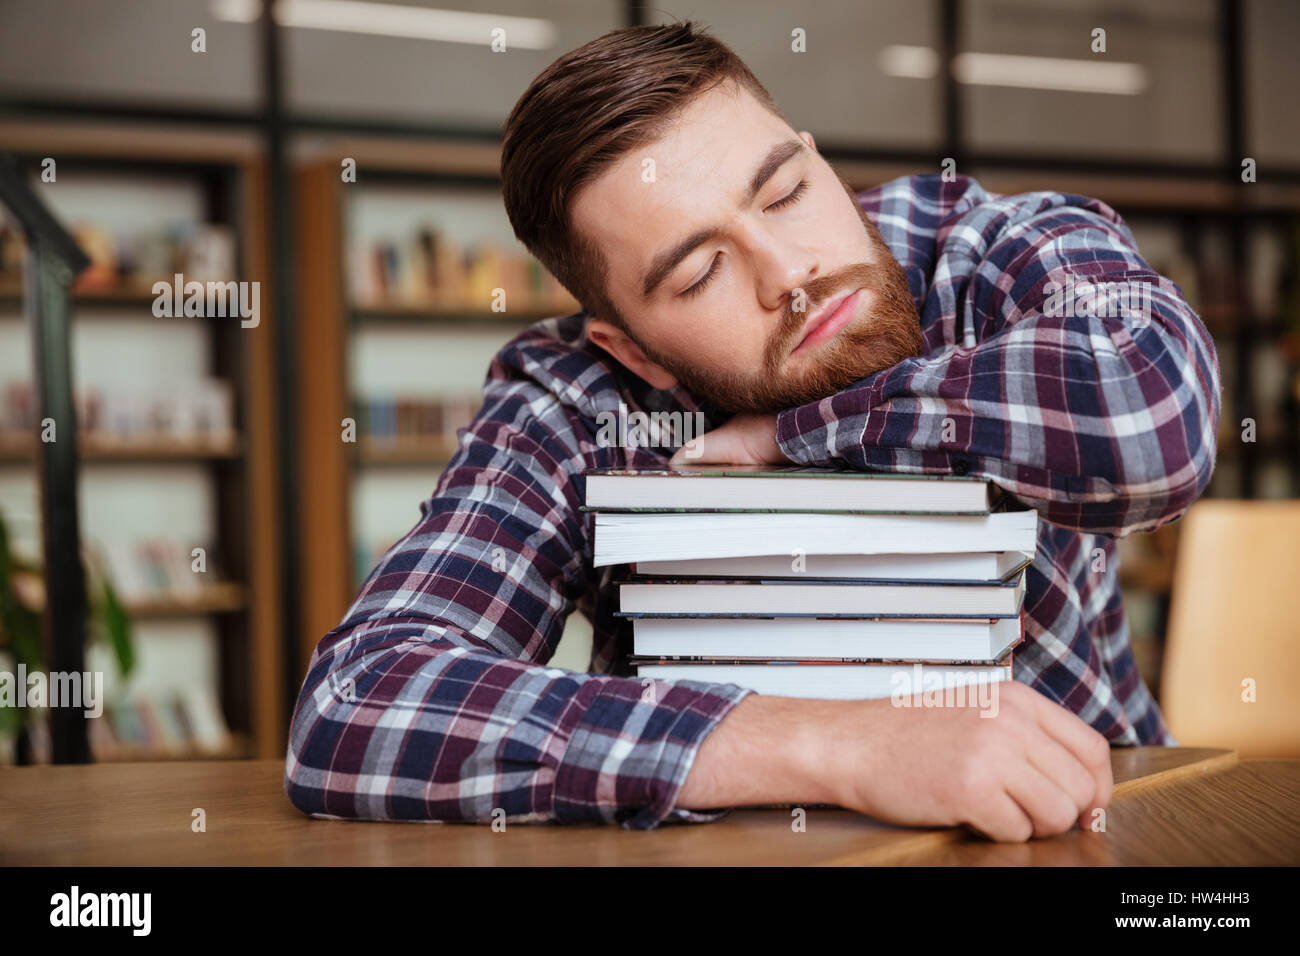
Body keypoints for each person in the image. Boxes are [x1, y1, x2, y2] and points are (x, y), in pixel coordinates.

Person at [284, 22, 1221, 841]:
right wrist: (835, 743)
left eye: (785, 194)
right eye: (698, 276)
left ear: (817, 159)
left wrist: (799, 429)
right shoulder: (576, 393)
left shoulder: (998, 251)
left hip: (1096, 822)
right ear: (634, 348)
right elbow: (357, 701)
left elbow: (1152, 420)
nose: (789, 273)